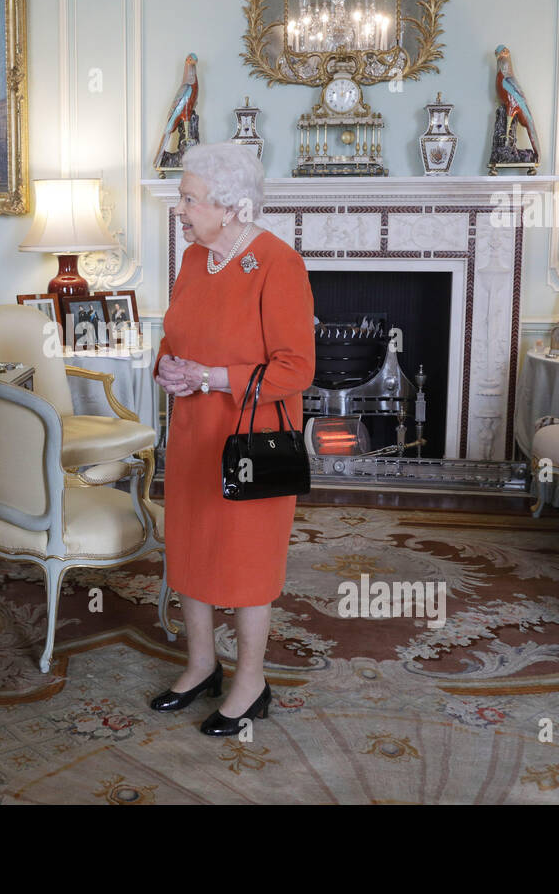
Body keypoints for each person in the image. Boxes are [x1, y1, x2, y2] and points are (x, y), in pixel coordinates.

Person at [152, 142, 316, 736]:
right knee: (190, 546)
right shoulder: (195, 260)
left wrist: (213, 377)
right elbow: (176, 337)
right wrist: (169, 367)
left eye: (190, 199)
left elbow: (297, 368)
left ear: (230, 206)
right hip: (195, 430)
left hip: (253, 438)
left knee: (246, 560)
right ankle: (201, 665)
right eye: (183, 198)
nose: (181, 209)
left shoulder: (278, 263)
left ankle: (251, 681)